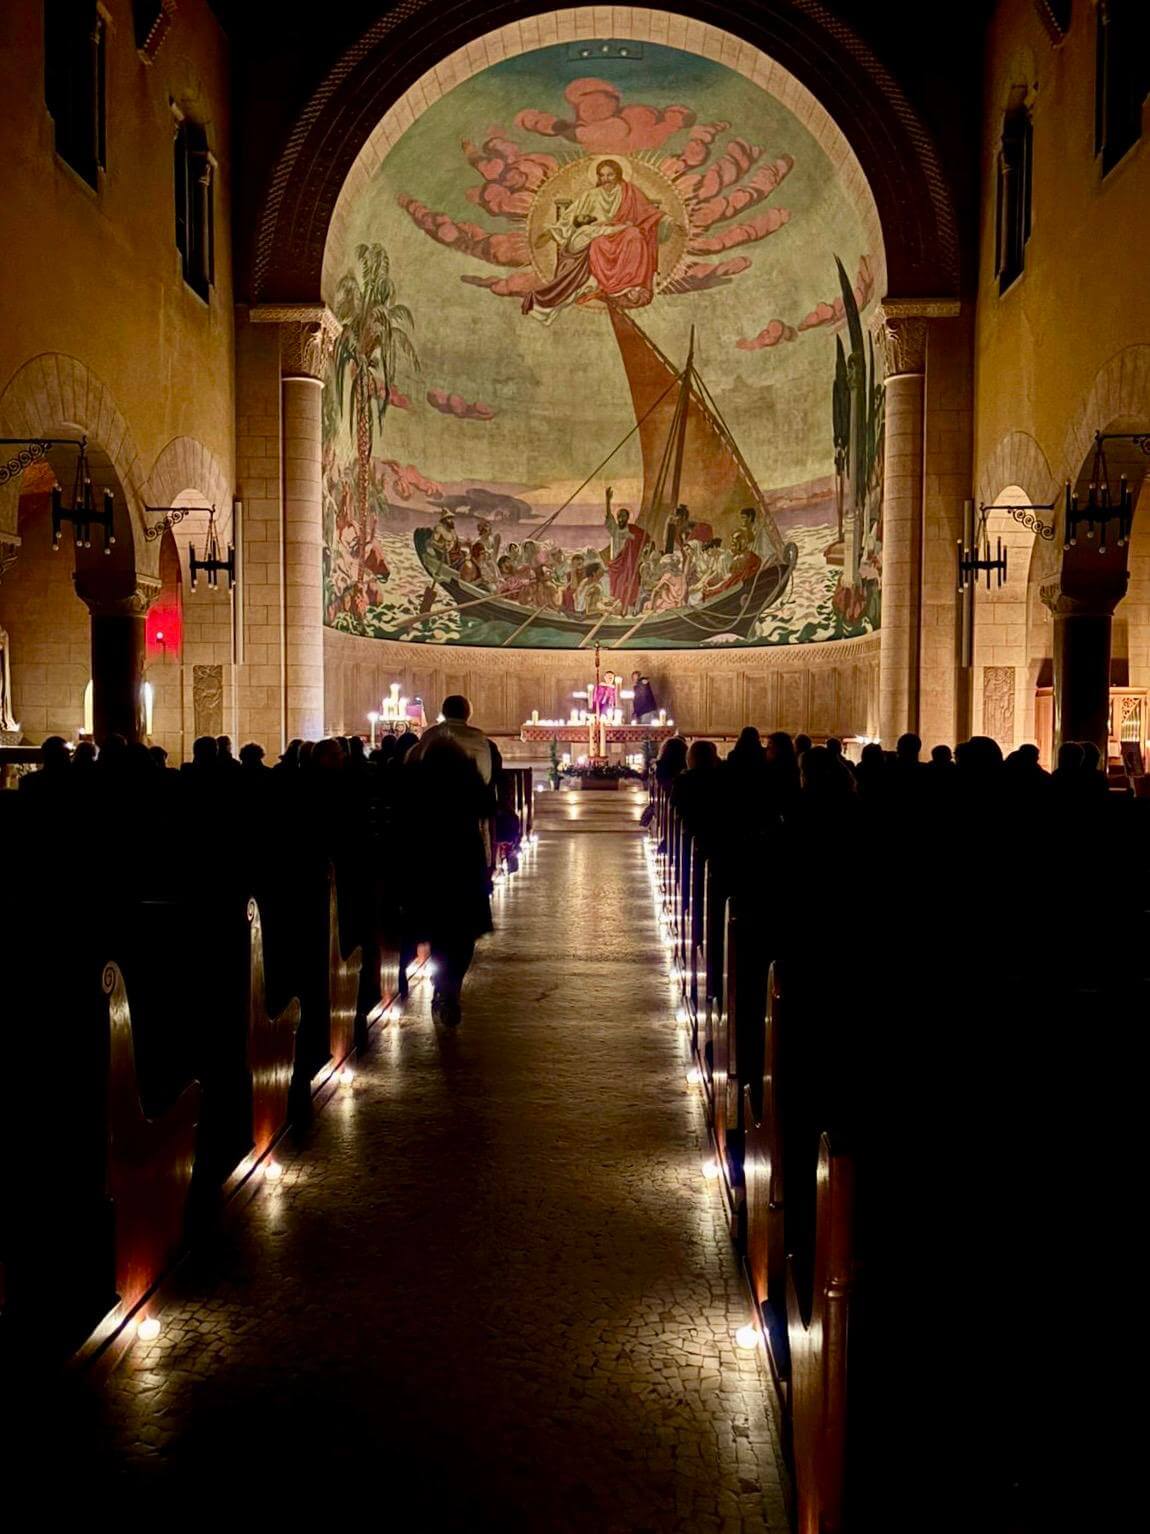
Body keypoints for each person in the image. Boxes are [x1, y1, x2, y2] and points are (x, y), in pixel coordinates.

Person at [399, 736, 495, 1025]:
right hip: (463, 860)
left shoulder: (415, 777)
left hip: (427, 860)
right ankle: (449, 988)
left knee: (436, 929)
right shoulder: (466, 774)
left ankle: (439, 984)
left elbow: (401, 816)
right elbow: (487, 808)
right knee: (462, 935)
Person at [523, 158, 664, 322]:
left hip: (623, 233)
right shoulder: (591, 195)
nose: (606, 179)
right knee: (598, 242)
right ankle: (610, 286)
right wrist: (553, 232)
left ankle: (631, 284)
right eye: (602, 175)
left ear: (618, 174)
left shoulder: (629, 192)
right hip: (601, 235)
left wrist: (668, 221)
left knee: (635, 234)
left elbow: (649, 211)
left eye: (610, 175)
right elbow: (570, 216)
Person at [407, 695, 496, 783]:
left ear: (444, 712)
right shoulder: (479, 737)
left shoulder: (431, 734)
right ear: (469, 713)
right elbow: (486, 774)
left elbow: (412, 764)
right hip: (473, 793)